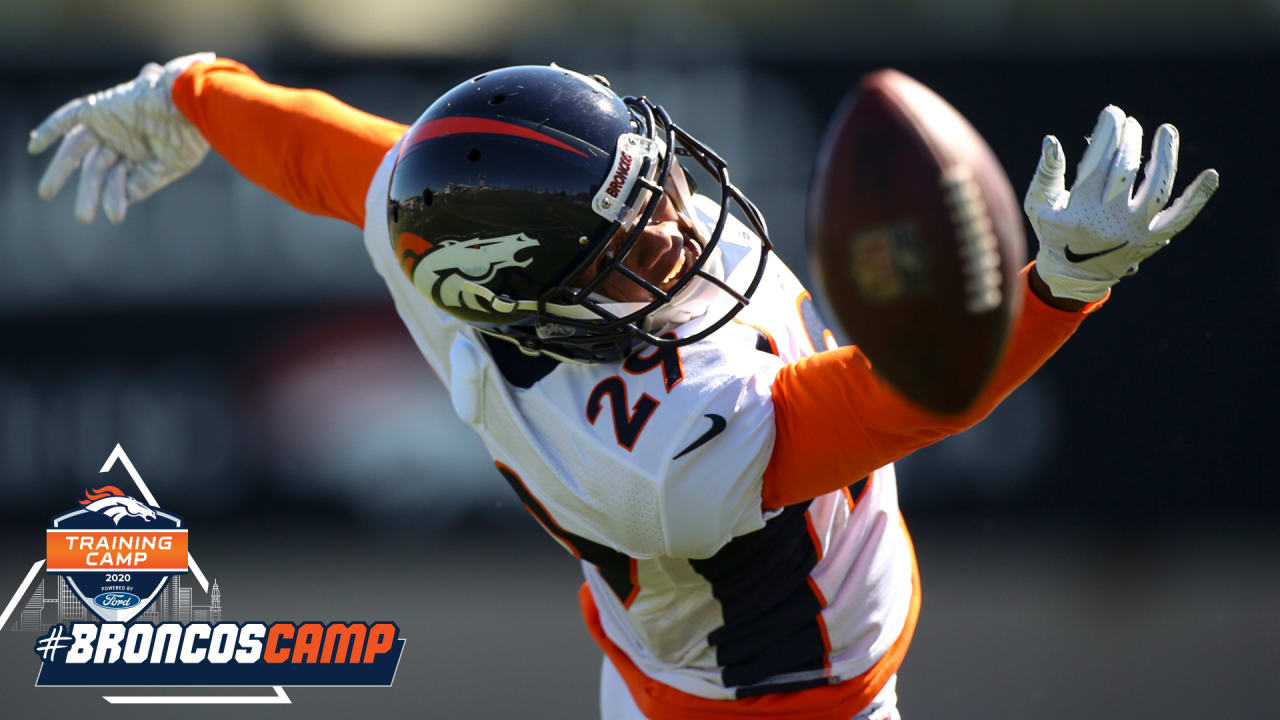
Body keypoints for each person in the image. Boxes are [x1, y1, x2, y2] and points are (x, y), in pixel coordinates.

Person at [27, 53, 1218, 720]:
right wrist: (1057, 287)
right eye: (632, 240)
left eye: (650, 185)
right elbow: (898, 397)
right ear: (535, 299)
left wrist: (185, 90)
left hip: (664, 652)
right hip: (781, 698)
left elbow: (331, 151)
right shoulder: (657, 456)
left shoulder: (442, 244)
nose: (676, 223)